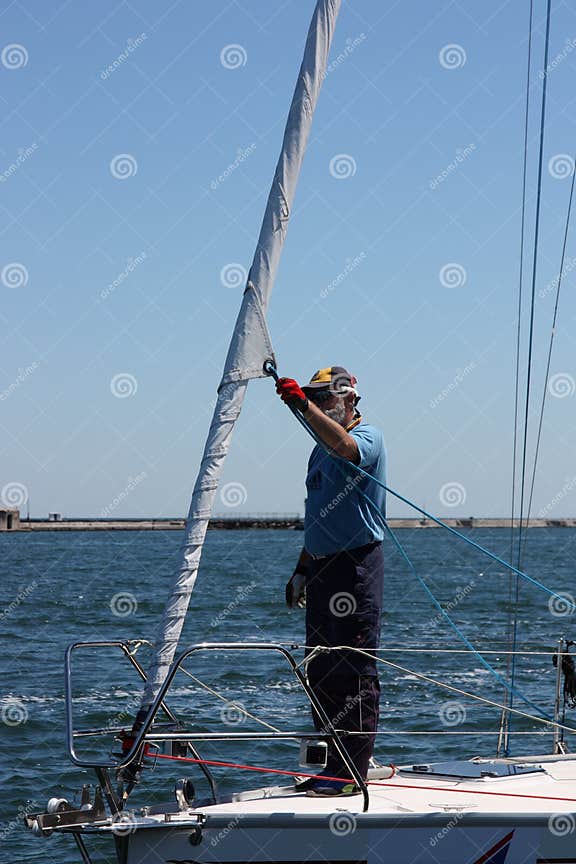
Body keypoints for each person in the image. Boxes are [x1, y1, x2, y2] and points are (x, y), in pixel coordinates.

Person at [276, 366, 386, 797]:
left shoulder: (368, 435)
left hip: (355, 566)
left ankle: (351, 773)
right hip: (321, 568)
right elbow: (317, 515)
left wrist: (301, 406)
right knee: (320, 668)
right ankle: (334, 764)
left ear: (349, 399)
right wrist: (302, 569)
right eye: (313, 399)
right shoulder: (316, 452)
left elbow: (346, 447)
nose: (318, 405)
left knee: (353, 669)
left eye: (324, 398)